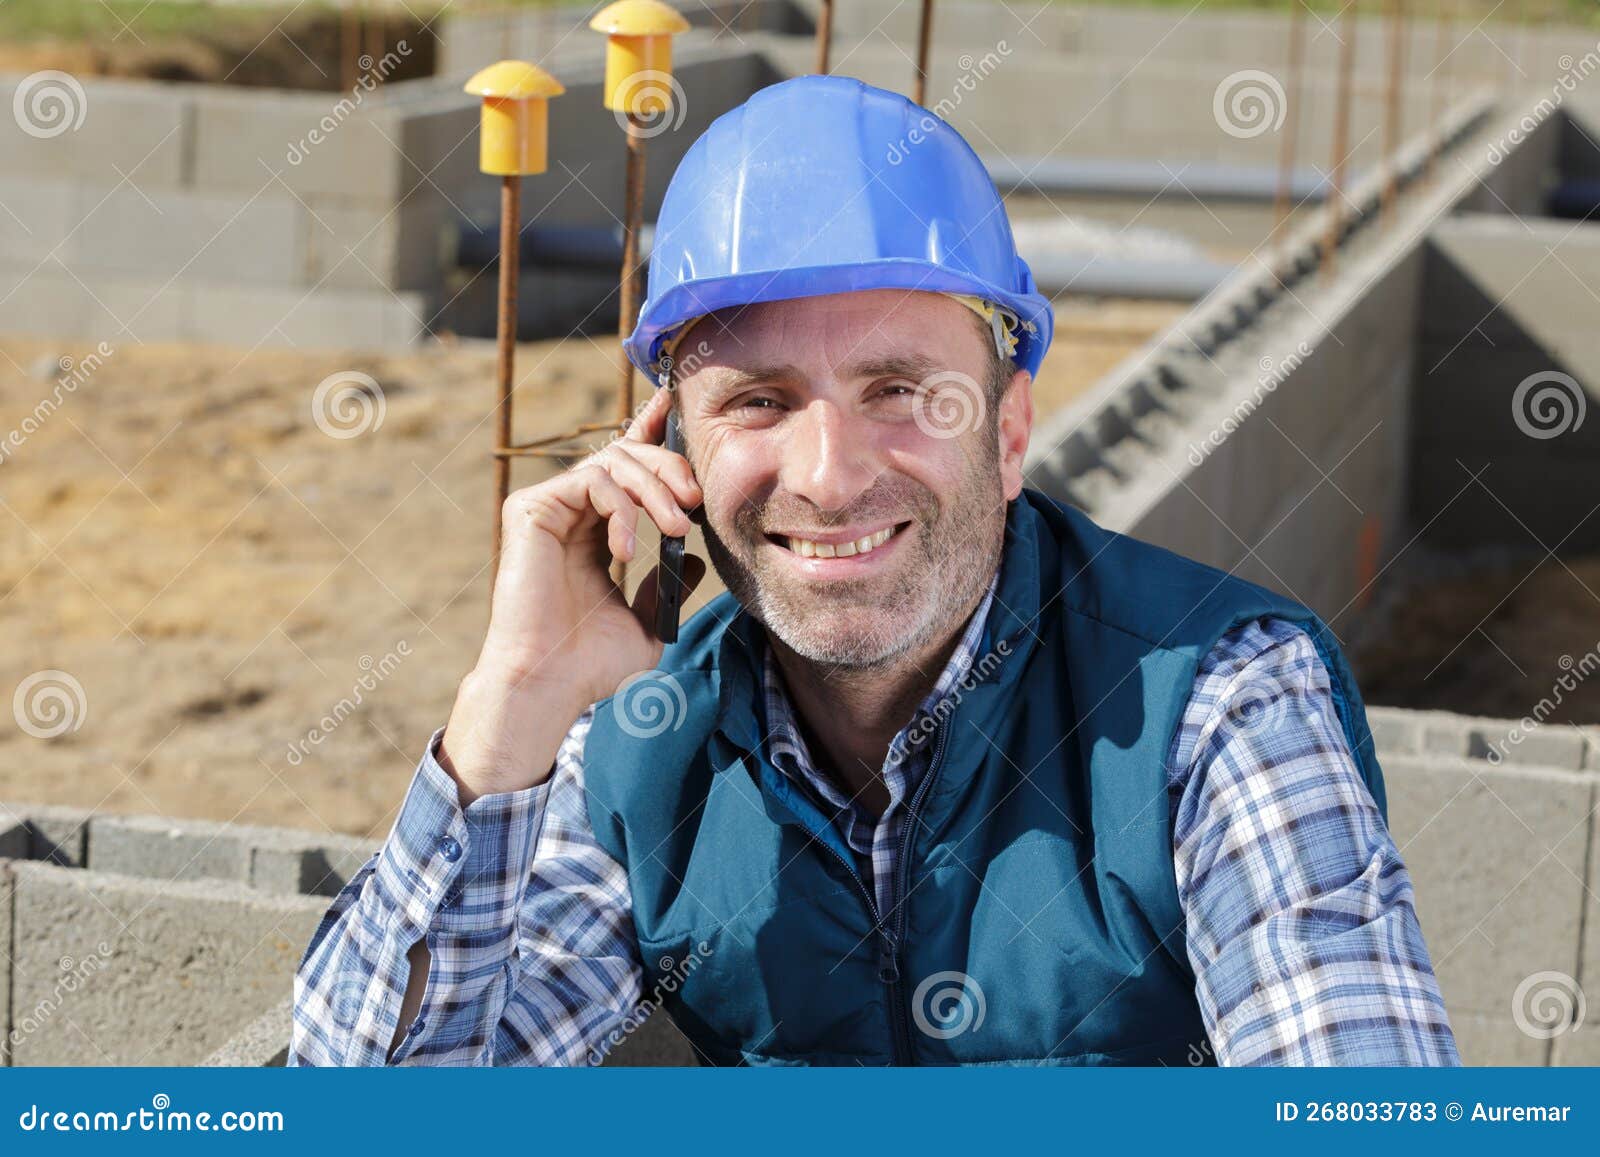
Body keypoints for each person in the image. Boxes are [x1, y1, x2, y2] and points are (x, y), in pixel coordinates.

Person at [290, 74, 1459, 1066]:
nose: (830, 475)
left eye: (899, 391)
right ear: (671, 457)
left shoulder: (1214, 699)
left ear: (1005, 435)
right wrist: (510, 713)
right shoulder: (640, 753)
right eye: (757, 401)